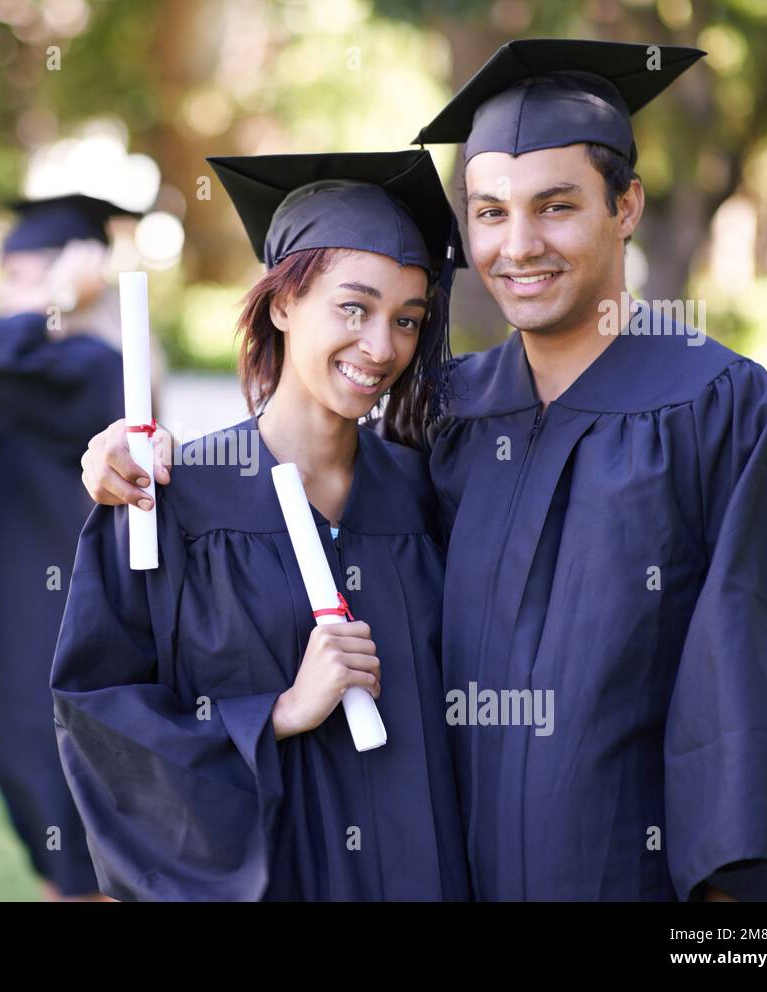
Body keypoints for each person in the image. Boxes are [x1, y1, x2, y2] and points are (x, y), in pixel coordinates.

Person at [80, 39, 767, 902]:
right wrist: (118, 461)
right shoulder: (450, 416)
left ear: (626, 206)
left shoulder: (725, 409)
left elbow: (746, 684)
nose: (519, 245)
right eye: (489, 212)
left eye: (556, 207)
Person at [52, 149, 471, 901]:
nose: (382, 347)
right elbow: (101, 724)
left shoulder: (428, 496)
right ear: (282, 304)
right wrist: (277, 715)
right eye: (354, 307)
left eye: (408, 320)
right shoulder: (169, 504)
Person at [0, 195, 133, 900]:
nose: (10, 294)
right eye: (8, 276)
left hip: (54, 640)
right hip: (3, 638)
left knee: (74, 825)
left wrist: (61, 301)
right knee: (42, 815)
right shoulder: (13, 375)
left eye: (26, 274)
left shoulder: (90, 368)